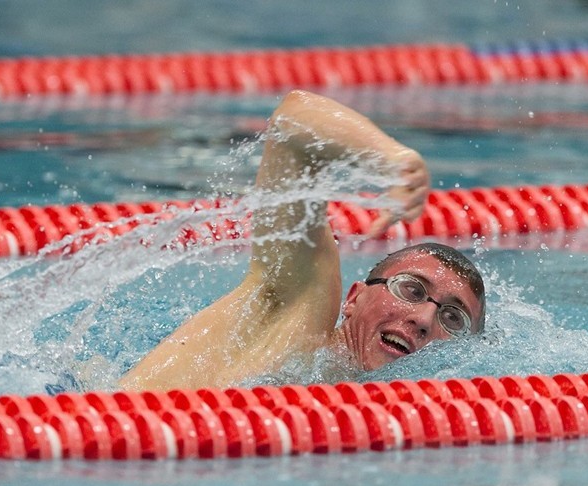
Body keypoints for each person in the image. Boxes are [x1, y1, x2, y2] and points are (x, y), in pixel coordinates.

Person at [121, 90, 485, 391]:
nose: (424, 318)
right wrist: (392, 158)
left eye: (453, 318)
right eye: (411, 290)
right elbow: (292, 120)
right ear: (354, 299)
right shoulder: (303, 314)